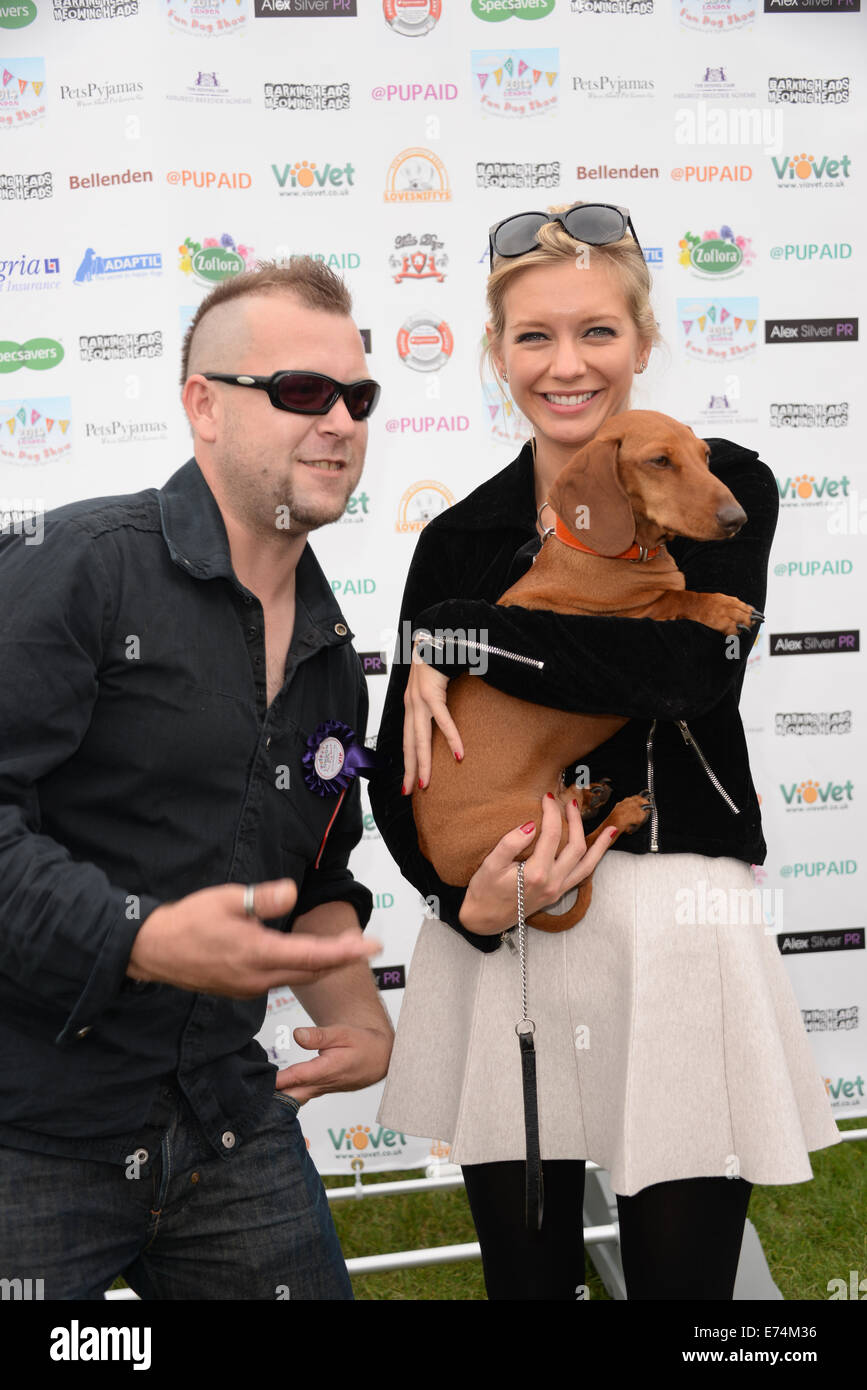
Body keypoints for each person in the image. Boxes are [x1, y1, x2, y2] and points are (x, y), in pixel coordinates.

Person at [370, 203, 841, 1301]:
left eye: (597, 332)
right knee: (528, 1290)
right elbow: (409, 759)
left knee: (686, 1302)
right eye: (533, 335)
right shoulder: (462, 537)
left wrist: (464, 631)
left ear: (643, 343)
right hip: (509, 917)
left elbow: (680, 675)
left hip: (676, 918)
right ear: (496, 355)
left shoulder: (730, 487)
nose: (566, 364)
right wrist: (458, 904)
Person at [0, 258, 393, 1301]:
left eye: (358, 396)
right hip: (30, 1126)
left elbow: (311, 876)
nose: (341, 420)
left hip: (228, 1118)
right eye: (302, 392)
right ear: (203, 407)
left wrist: (358, 1010)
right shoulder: (80, 564)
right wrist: (144, 936)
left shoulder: (330, 653)